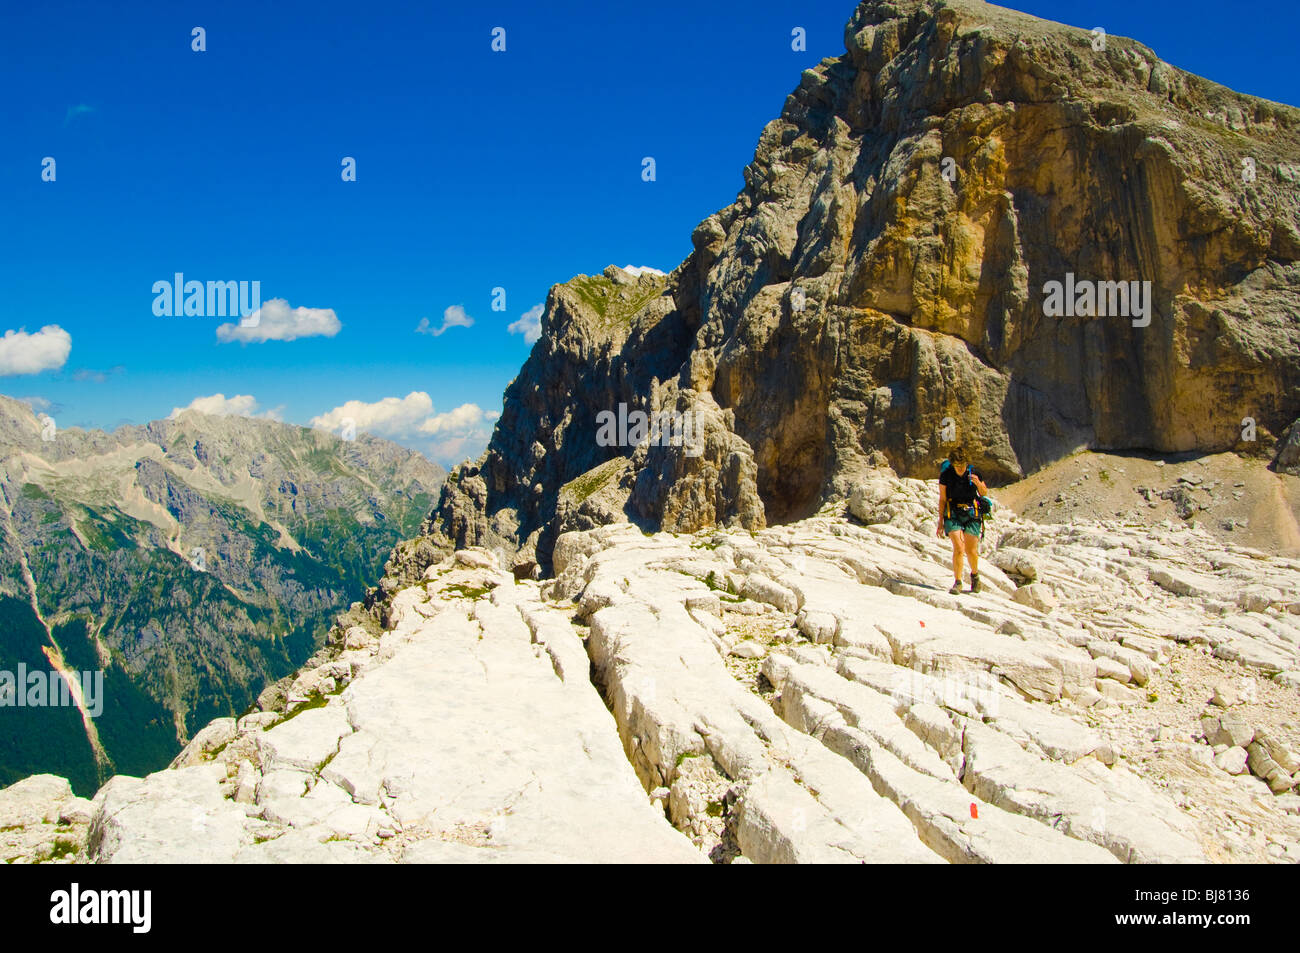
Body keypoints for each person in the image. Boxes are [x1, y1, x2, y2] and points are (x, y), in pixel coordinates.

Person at [935, 446, 989, 593]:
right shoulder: (946, 475)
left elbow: (984, 492)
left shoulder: (974, 473)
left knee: (971, 550)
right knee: (959, 548)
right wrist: (940, 521)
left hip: (972, 513)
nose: (959, 469)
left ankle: (975, 575)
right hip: (952, 512)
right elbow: (943, 499)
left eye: (962, 465)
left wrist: (978, 483)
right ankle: (958, 582)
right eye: (956, 466)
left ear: (966, 463)